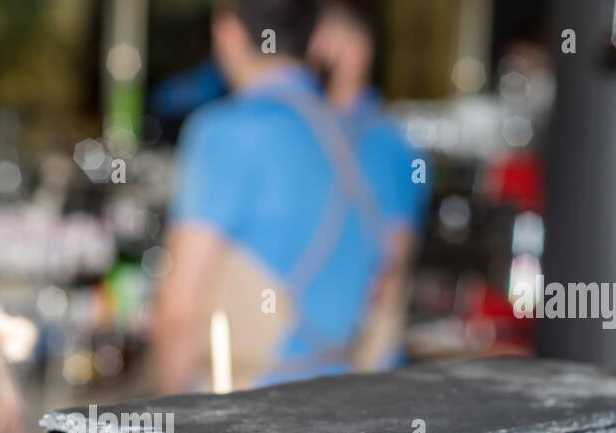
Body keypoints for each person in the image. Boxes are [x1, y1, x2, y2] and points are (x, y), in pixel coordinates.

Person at [150, 0, 427, 392]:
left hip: (249, 417)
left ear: (226, 32)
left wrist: (167, 429)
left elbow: (180, 315)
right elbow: (388, 291)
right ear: (319, 38)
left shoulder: (226, 132)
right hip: (349, 406)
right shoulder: (377, 142)